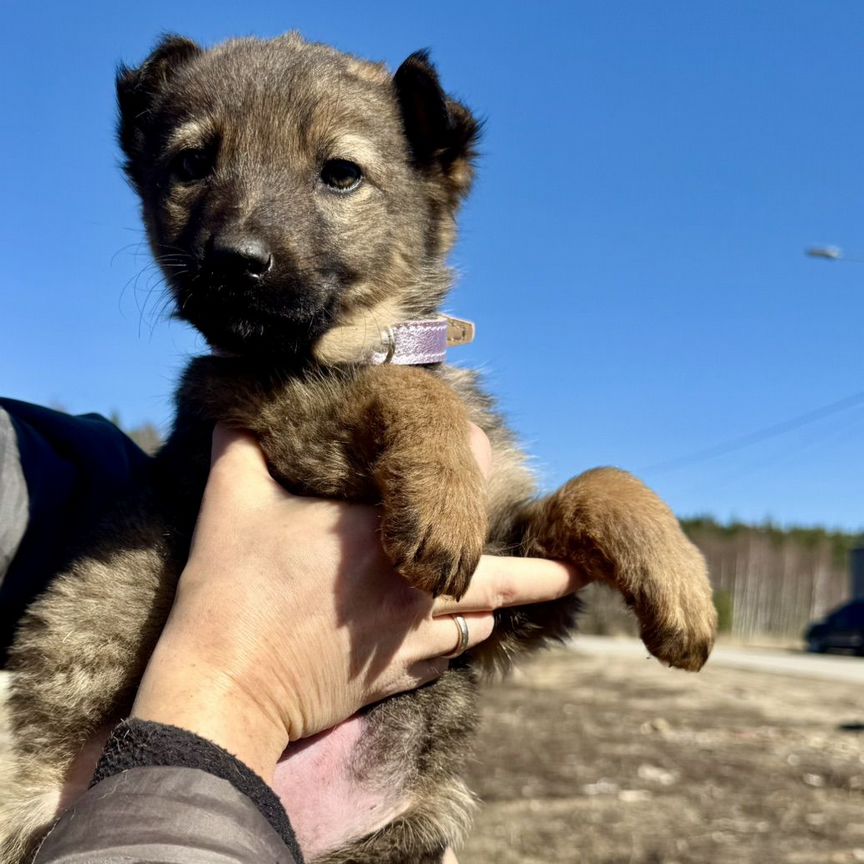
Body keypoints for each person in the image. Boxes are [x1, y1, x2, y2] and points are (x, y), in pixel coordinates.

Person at [0, 402, 585, 863]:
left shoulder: (84, 461)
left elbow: (508, 603)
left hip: (387, 823)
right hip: (118, 807)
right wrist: (242, 696)